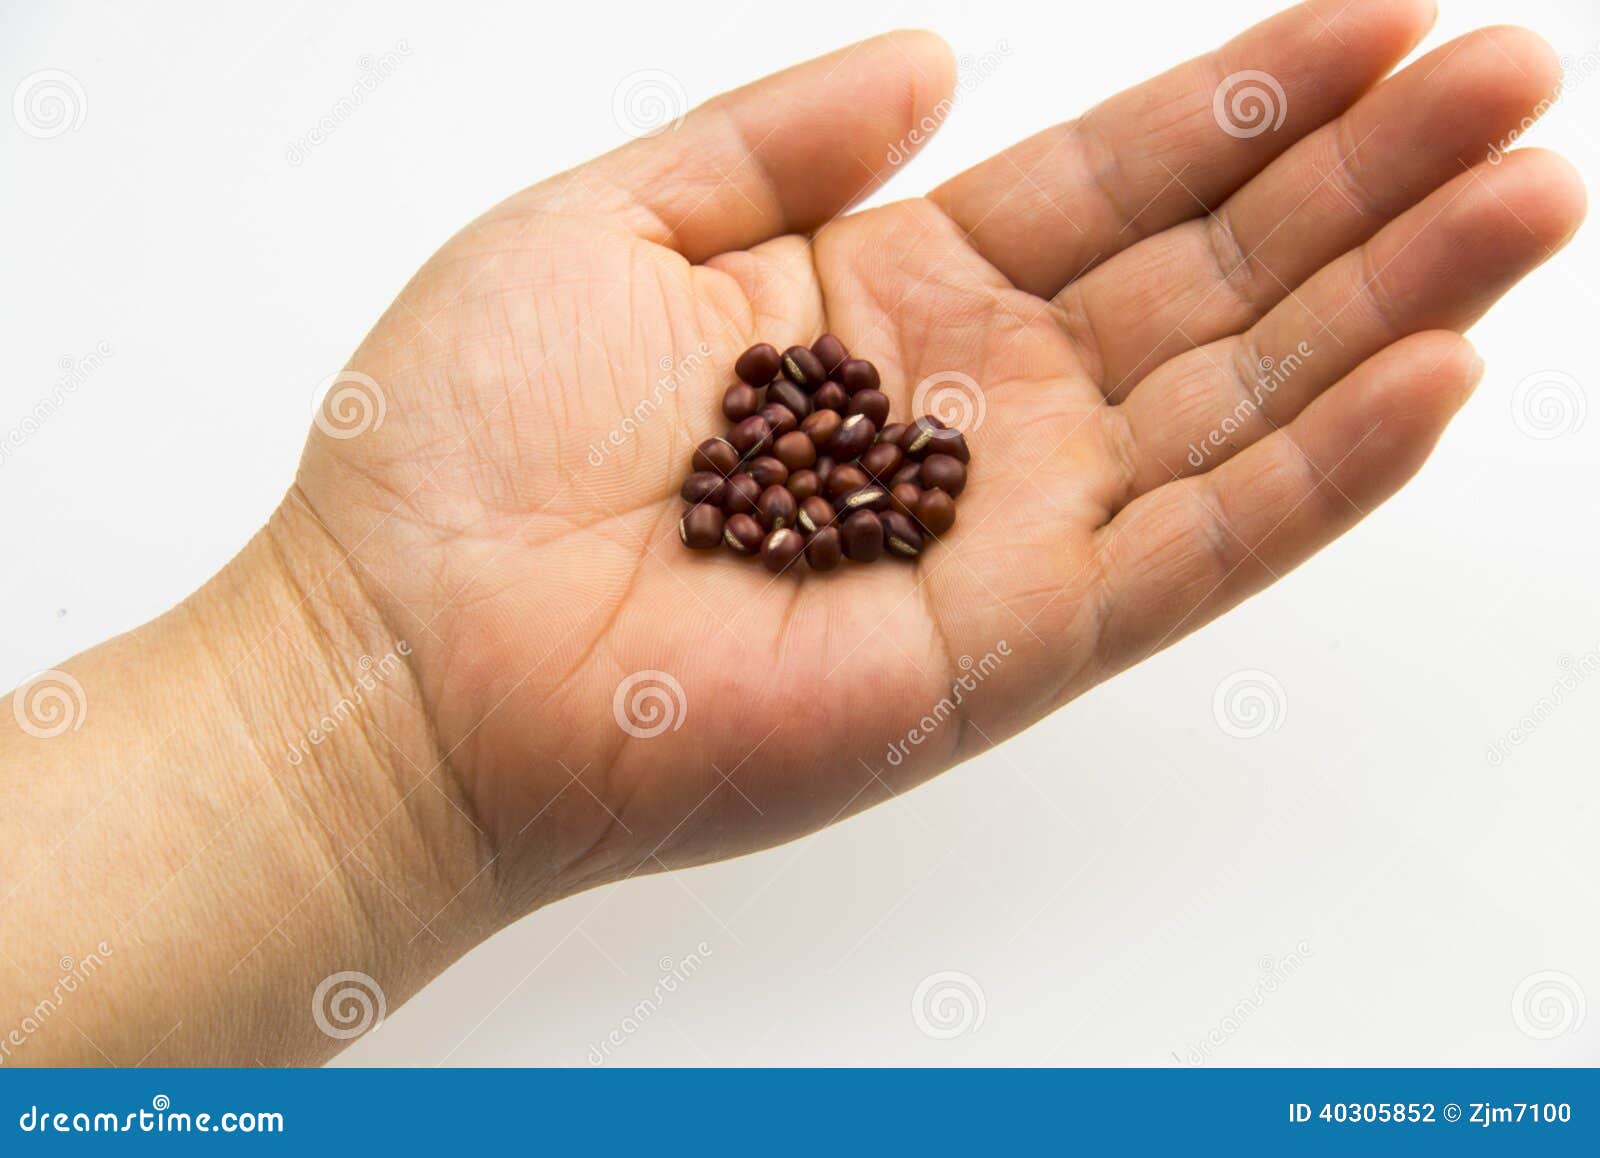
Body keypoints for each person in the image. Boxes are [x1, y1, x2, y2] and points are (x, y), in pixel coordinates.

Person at [1, 0, 1584, 1065]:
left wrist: (372, 740)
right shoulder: (804, 462)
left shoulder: (838, 462)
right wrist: (377, 720)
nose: (812, 457)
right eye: (804, 458)